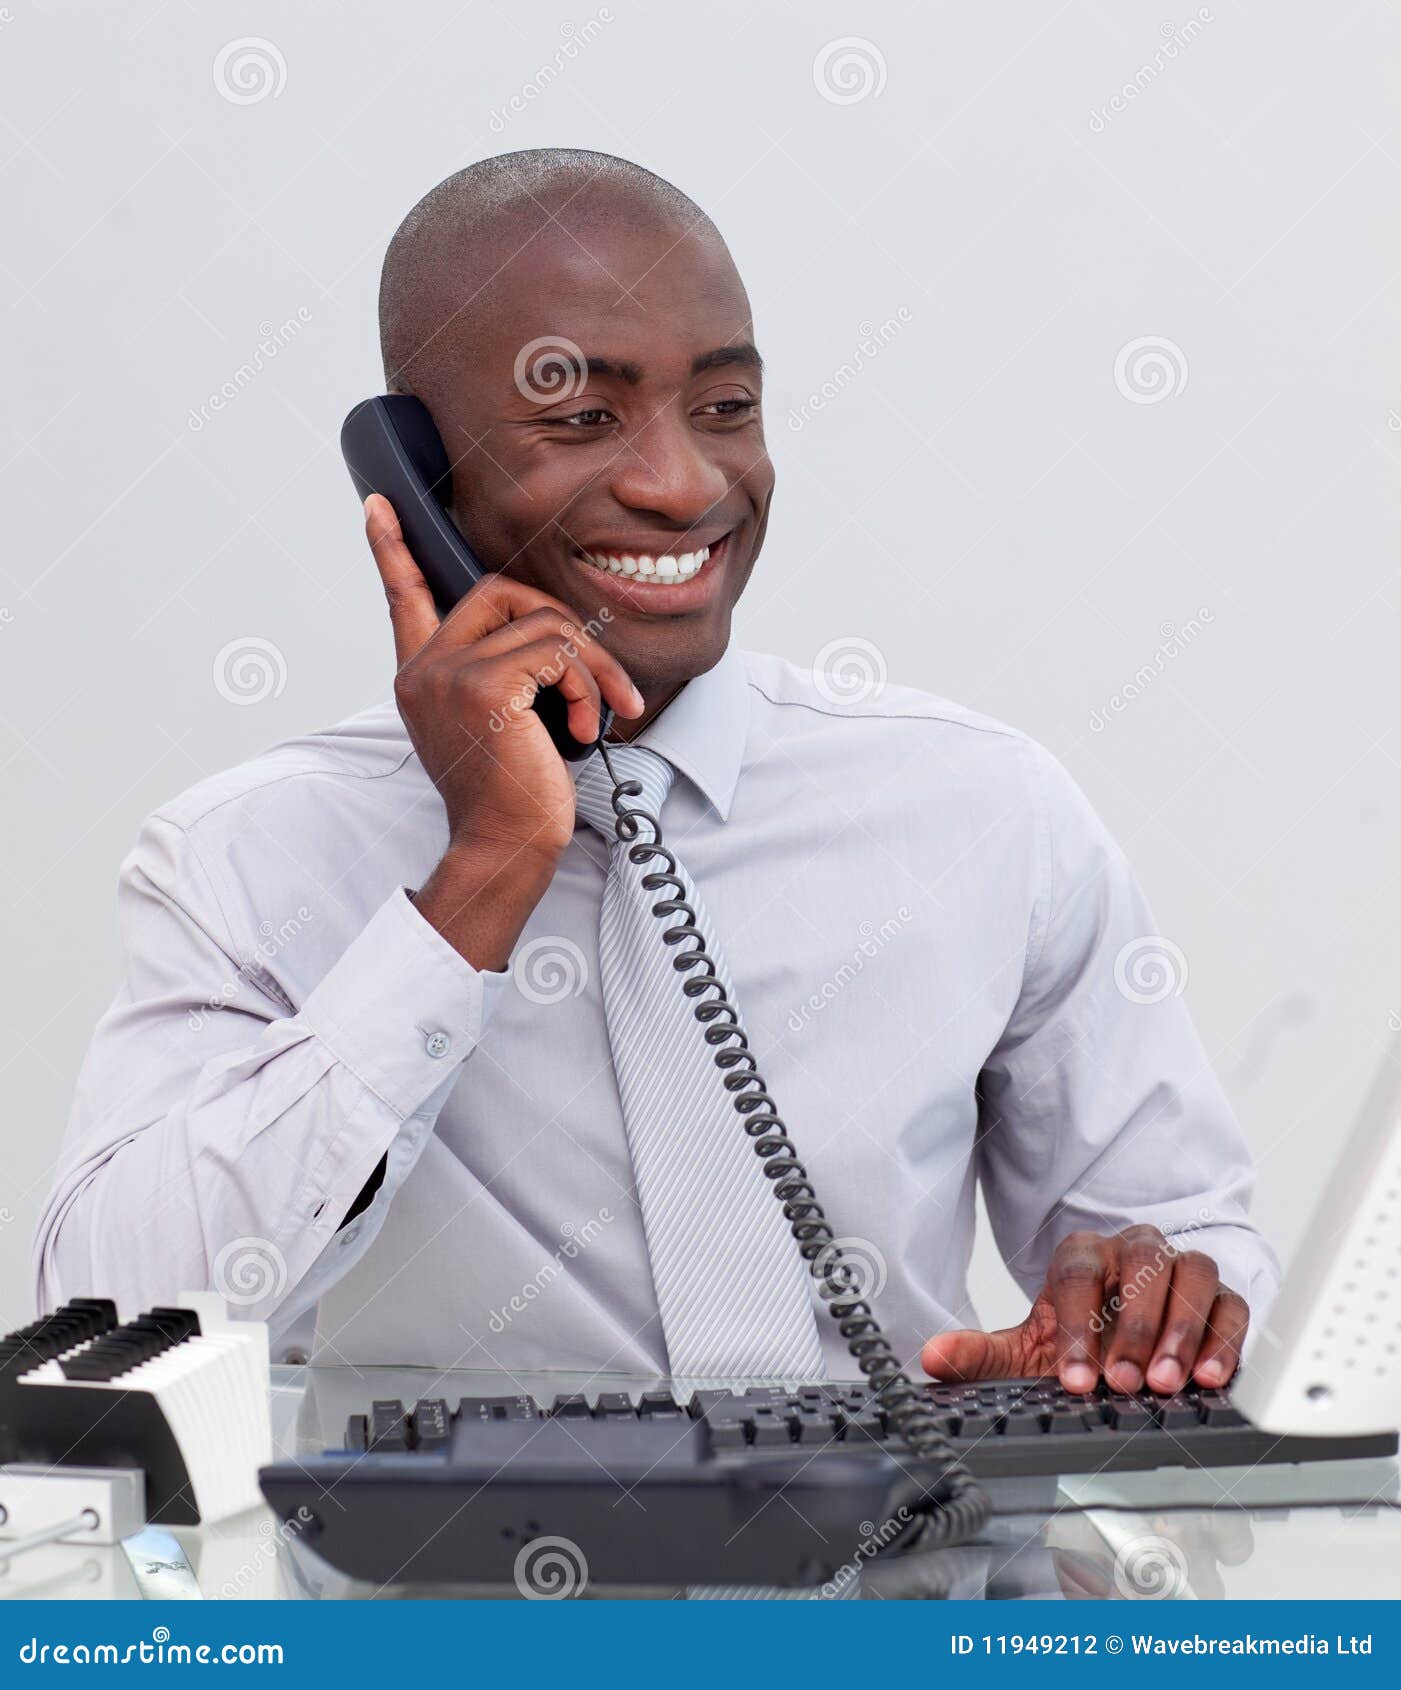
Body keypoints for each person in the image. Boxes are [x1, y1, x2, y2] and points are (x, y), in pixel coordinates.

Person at [35, 149, 1276, 1395]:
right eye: (581, 418)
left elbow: (1189, 1248)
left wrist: (1141, 1320)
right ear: (416, 482)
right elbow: (114, 1315)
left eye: (726, 408)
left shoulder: (984, 811)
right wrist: (485, 873)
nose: (683, 486)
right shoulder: (245, 855)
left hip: (904, 1576)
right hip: (432, 1590)